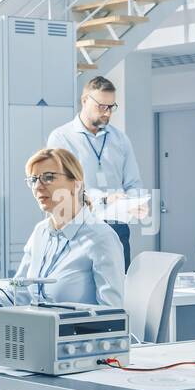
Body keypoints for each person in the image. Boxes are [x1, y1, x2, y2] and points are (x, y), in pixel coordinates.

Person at [0, 148, 125, 324]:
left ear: (76, 184)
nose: (37, 186)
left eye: (48, 177)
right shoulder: (41, 232)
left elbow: (112, 317)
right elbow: (18, 294)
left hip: (76, 343)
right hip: (37, 337)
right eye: (33, 179)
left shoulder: (100, 238)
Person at [46, 76, 142, 268]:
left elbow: (133, 183)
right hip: (79, 228)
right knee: (81, 289)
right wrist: (104, 199)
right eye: (101, 106)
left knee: (121, 288)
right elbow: (61, 189)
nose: (107, 113)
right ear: (84, 101)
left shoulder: (120, 139)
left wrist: (133, 201)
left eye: (111, 107)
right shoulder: (61, 138)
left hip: (116, 228)